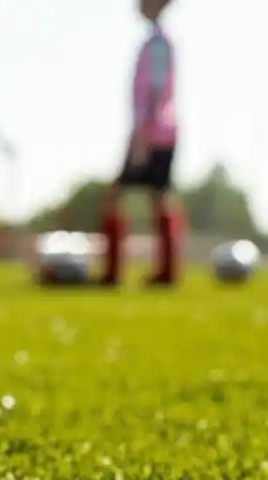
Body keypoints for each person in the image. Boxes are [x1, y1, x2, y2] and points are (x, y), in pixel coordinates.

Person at [100, 0, 182, 287]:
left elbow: (156, 91)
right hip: (158, 131)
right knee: (158, 197)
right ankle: (166, 273)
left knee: (120, 196)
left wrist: (142, 137)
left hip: (153, 133)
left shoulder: (158, 43)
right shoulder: (155, 41)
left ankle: (115, 273)